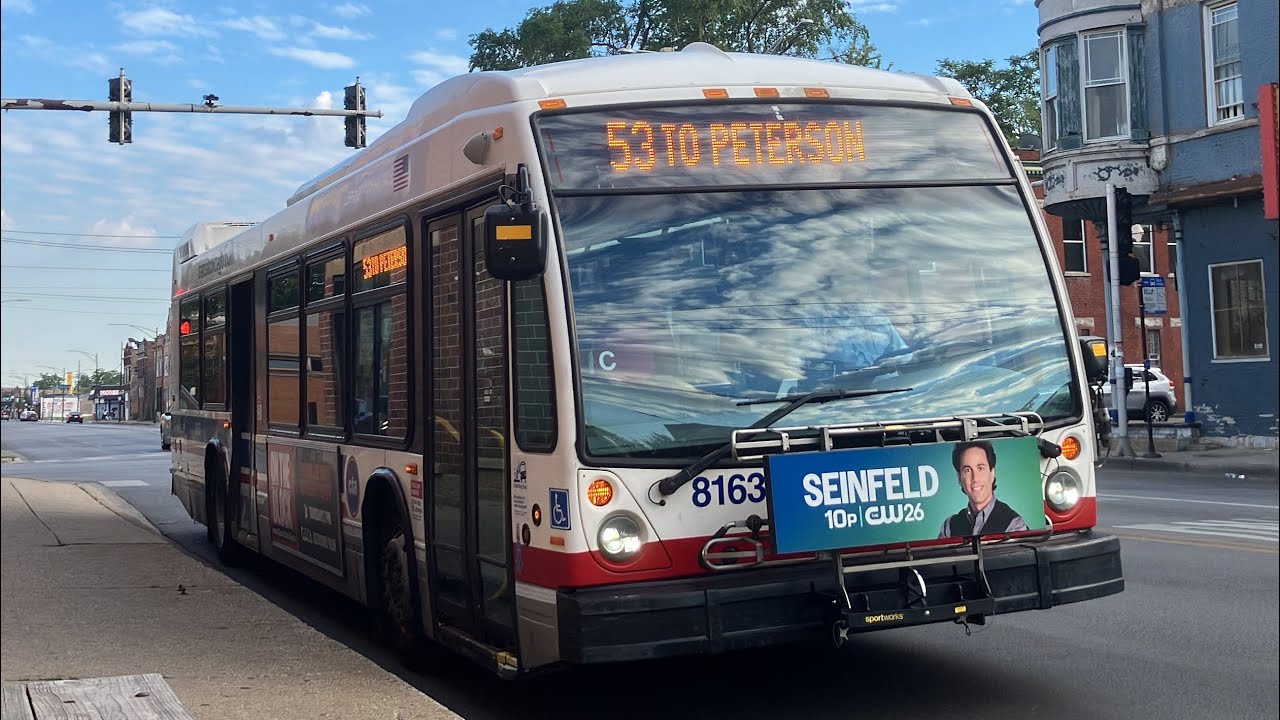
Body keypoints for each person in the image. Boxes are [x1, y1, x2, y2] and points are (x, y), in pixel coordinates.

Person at [938, 440, 1027, 538]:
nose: (975, 478)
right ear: (959, 478)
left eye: (980, 468)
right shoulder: (949, 527)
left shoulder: (1014, 525)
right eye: (967, 470)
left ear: (992, 473)